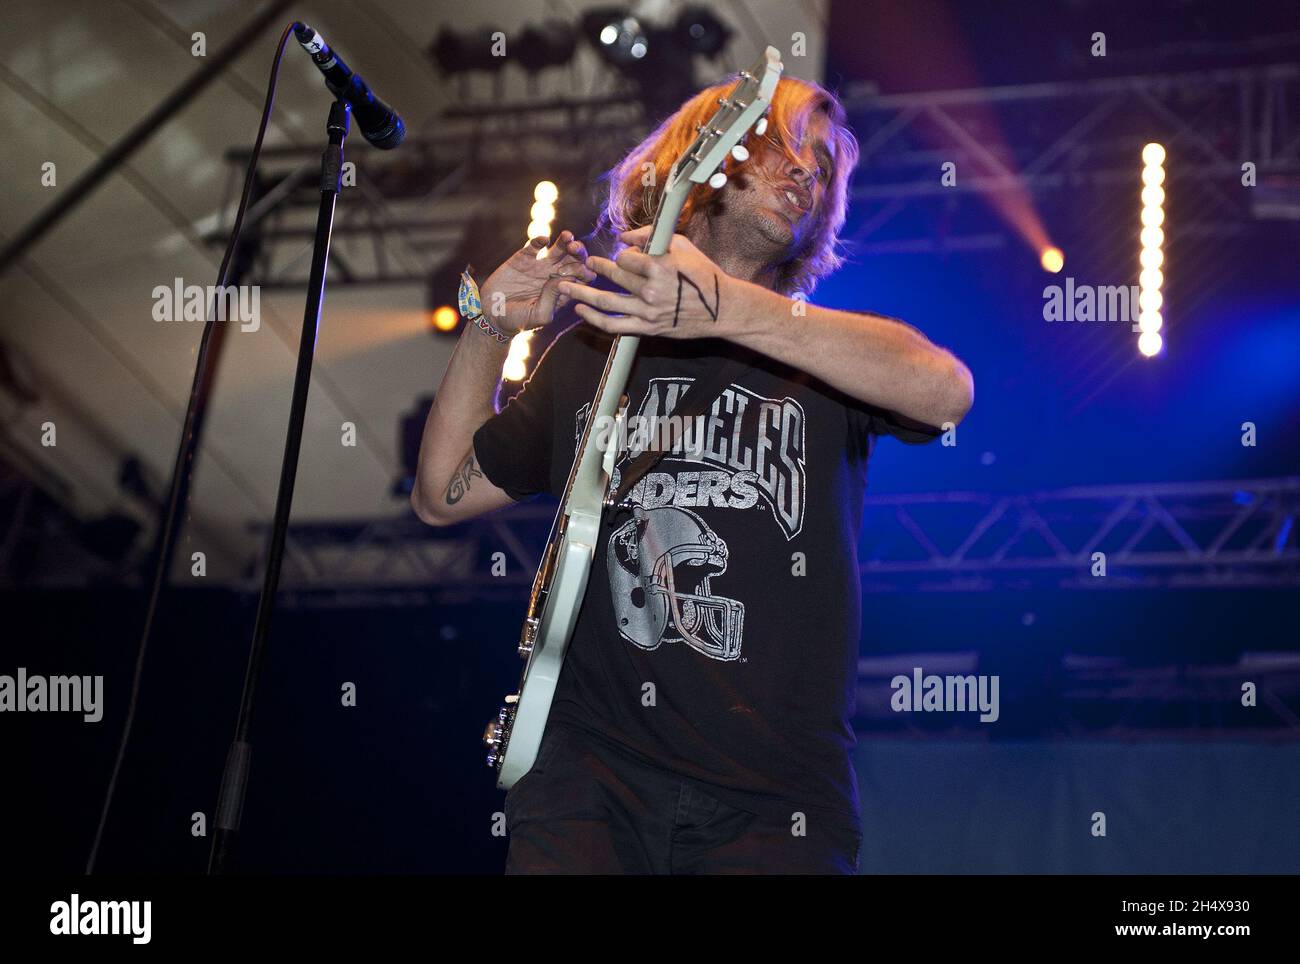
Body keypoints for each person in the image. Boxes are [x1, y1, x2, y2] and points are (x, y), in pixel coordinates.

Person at [411, 74, 973, 874]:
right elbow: (440, 494)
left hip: (776, 804)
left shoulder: (820, 352)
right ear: (700, 159)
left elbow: (948, 392)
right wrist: (487, 330)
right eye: (782, 146)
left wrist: (731, 310)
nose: (806, 173)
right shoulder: (596, 351)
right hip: (588, 777)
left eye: (821, 165)